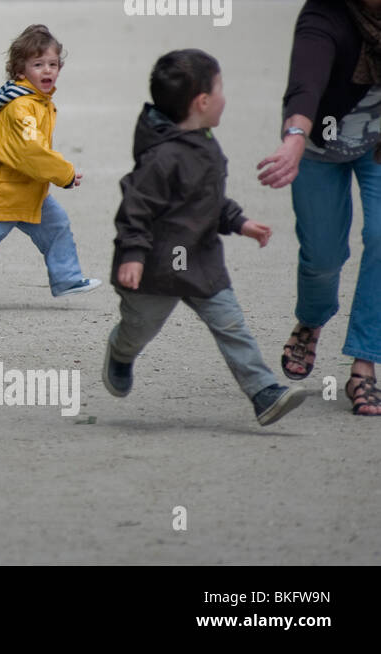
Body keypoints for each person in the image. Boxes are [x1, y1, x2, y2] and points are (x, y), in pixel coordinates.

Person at [104, 49, 305, 426]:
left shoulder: (204, 142)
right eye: (221, 88)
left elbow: (206, 198)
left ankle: (263, 392)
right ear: (202, 102)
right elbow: (135, 208)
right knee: (139, 329)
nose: (226, 97)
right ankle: (120, 351)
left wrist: (239, 222)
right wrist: (132, 254)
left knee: (232, 325)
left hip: (200, 260)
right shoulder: (162, 158)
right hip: (155, 268)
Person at [257, 0, 381, 417]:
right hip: (319, 149)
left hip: (377, 148)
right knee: (323, 258)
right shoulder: (324, 12)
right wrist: (292, 137)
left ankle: (365, 365)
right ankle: (311, 319)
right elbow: (305, 81)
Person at [0, 24, 99, 311]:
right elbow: (32, 150)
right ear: (20, 71)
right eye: (38, 64)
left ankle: (67, 278)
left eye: (52, 64)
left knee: (57, 227)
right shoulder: (21, 105)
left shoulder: (29, 100)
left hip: (29, 190)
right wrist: (64, 174)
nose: (47, 70)